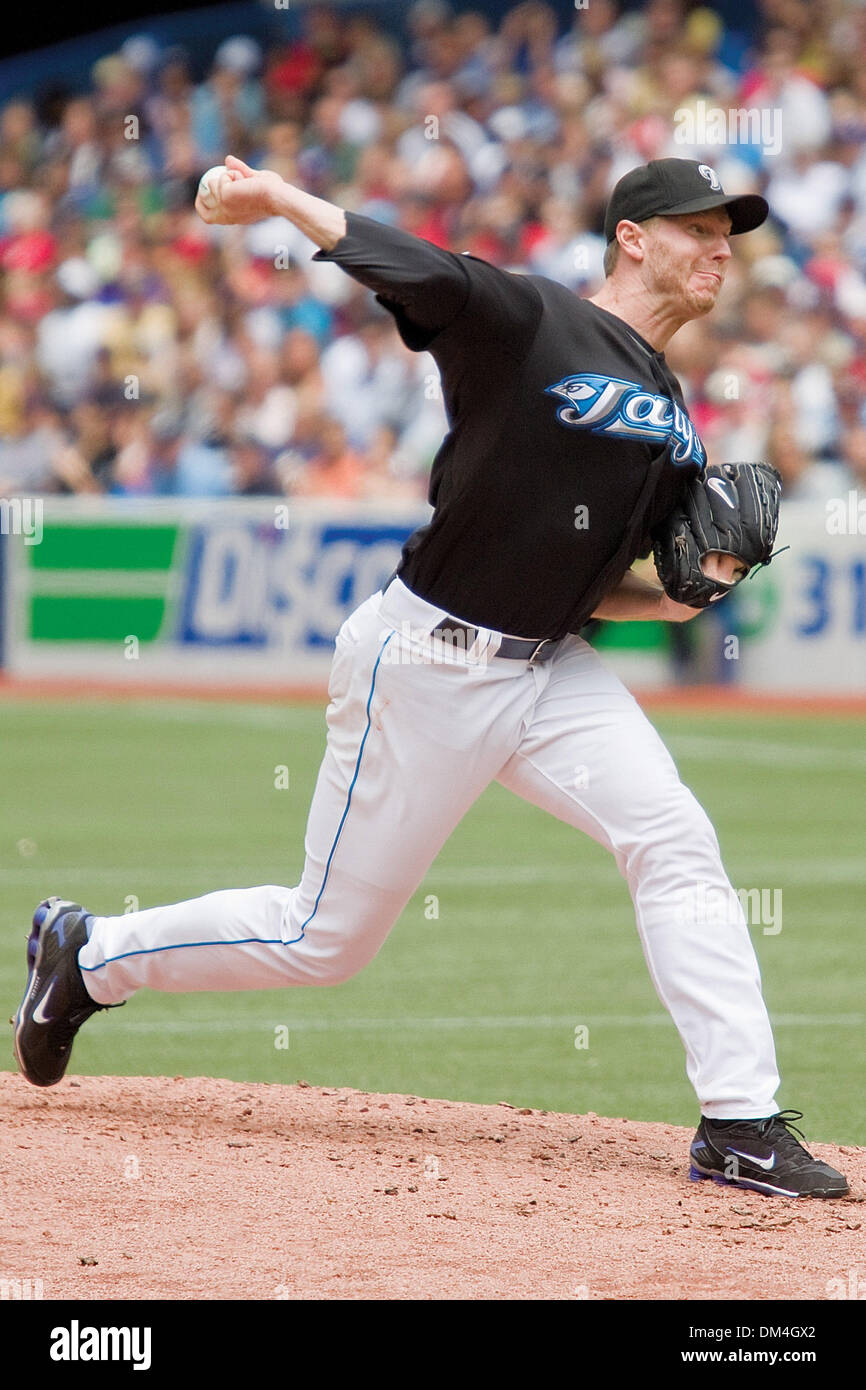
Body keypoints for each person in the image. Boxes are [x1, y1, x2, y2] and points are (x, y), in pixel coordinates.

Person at [14, 155, 848, 1200]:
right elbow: (413, 267)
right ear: (632, 238)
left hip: (552, 669)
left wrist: (682, 597)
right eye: (697, 229)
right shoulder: (533, 321)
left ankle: (738, 1123)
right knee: (323, 940)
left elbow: (599, 581)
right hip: (428, 660)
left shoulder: (672, 416)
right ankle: (89, 953)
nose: (719, 249)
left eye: (728, 235)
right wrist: (277, 199)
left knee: (673, 838)